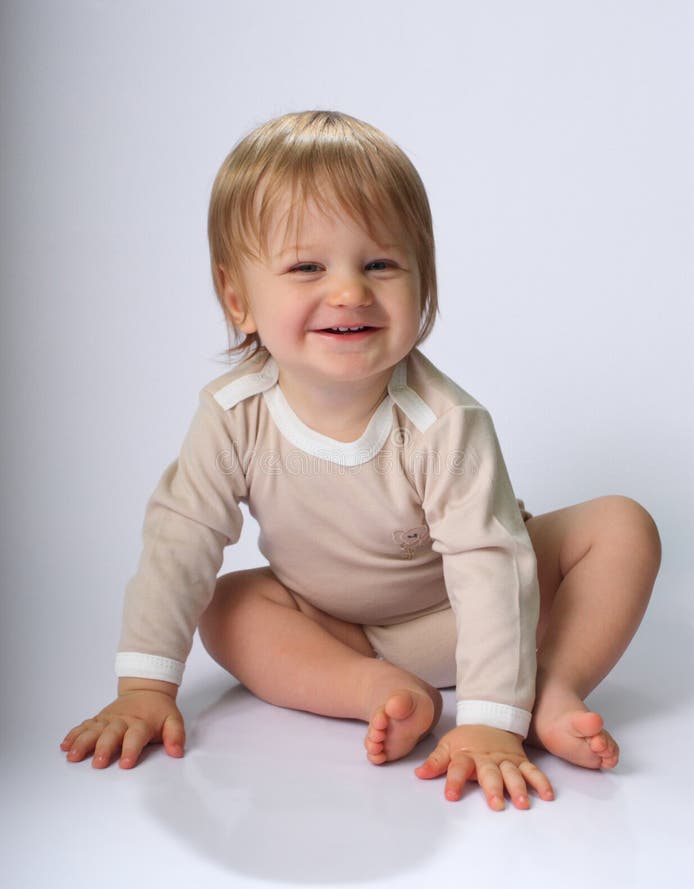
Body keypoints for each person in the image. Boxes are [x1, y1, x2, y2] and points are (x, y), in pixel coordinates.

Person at [60, 111, 661, 810]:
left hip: (476, 613)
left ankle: (548, 688)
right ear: (237, 298)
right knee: (225, 604)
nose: (349, 292)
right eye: (306, 267)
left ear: (423, 283)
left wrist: (490, 720)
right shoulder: (232, 415)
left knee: (621, 526)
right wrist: (145, 687)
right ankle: (372, 689)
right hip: (333, 625)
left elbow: (489, 562)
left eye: (380, 264)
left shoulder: (443, 423)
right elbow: (180, 539)